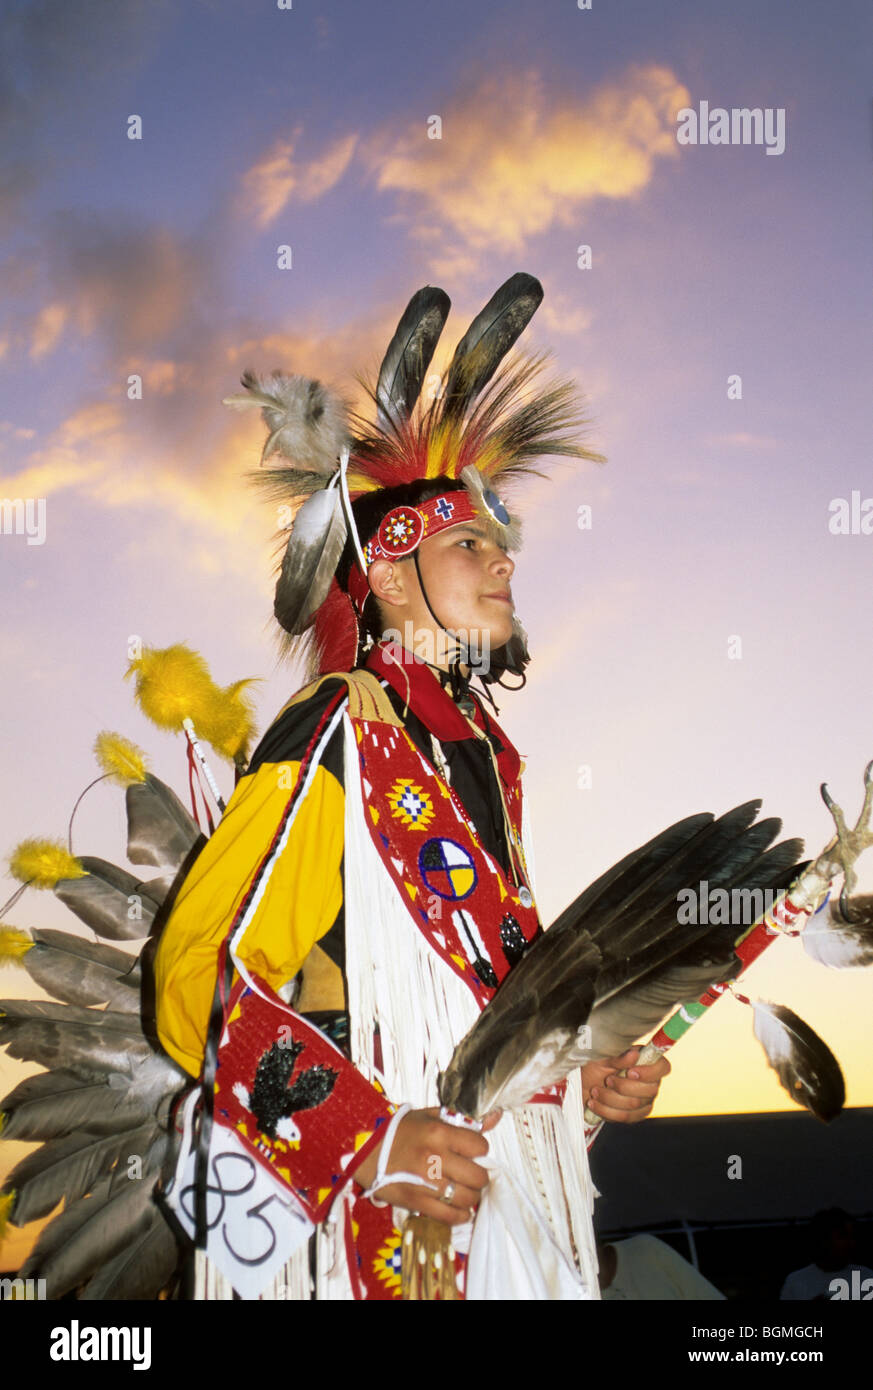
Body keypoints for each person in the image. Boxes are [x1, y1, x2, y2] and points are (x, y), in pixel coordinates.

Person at [154, 275, 670, 1300]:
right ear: (389, 579)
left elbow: (479, 1029)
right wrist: (366, 1139)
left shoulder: (481, 759)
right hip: (375, 1223)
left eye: (503, 545)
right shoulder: (341, 732)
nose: (503, 566)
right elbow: (198, 976)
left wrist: (583, 1084)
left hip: (503, 1228)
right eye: (467, 544)